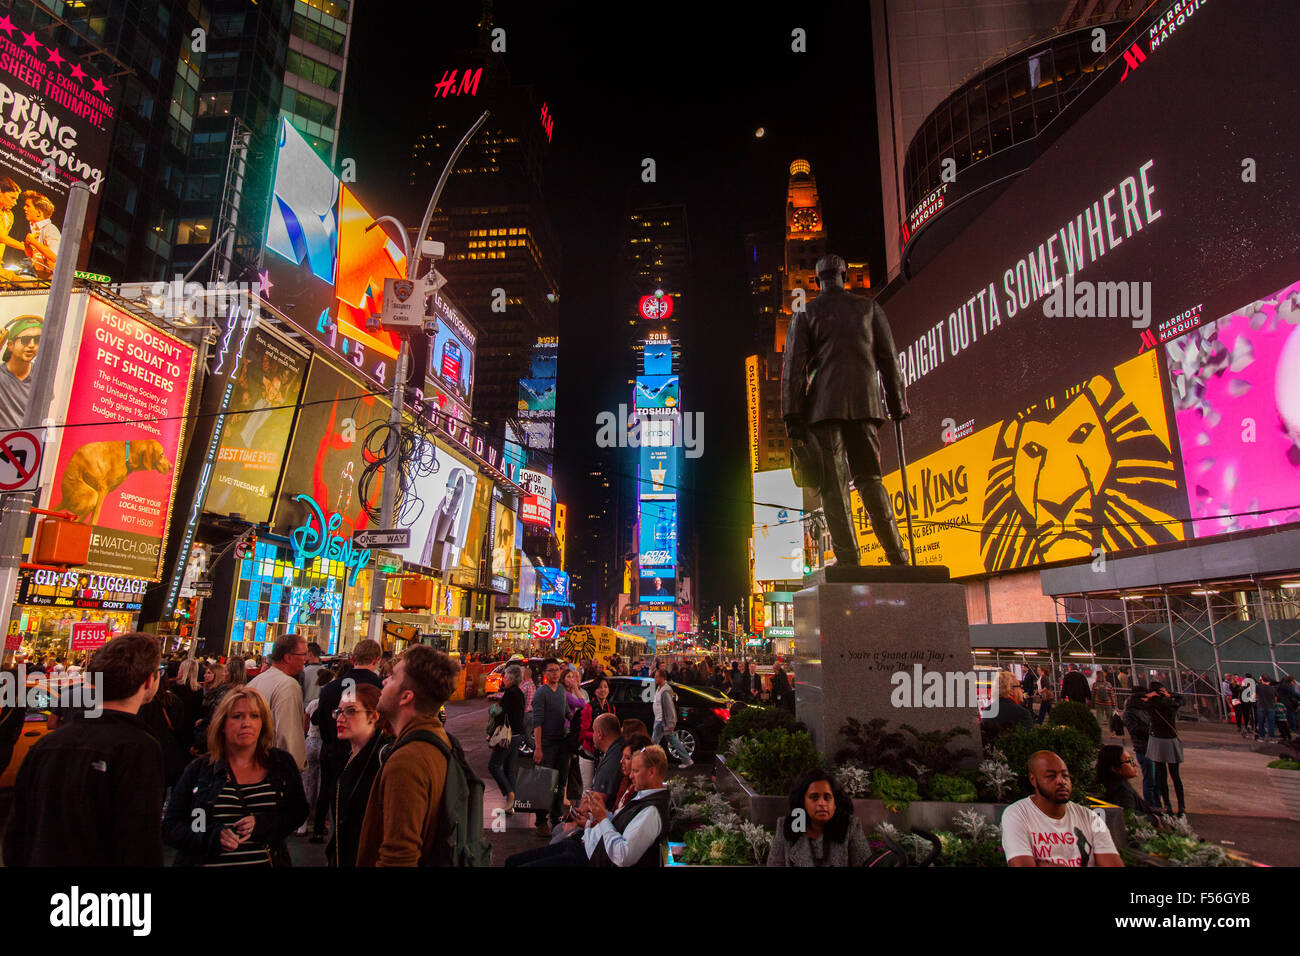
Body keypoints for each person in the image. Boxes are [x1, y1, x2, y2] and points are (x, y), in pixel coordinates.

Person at [781, 253, 910, 565]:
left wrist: (791, 414)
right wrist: (897, 404)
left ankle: (849, 558)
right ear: (844, 275)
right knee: (870, 478)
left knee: (834, 485)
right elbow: (889, 360)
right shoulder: (869, 308)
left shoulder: (807, 313)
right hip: (866, 404)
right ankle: (897, 554)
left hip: (825, 409)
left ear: (817, 280)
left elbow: (793, 368)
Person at [3, 633, 165, 866]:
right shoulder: (139, 748)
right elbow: (139, 843)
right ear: (149, 681)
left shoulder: (47, 744)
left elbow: (17, 833)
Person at [162, 688, 308, 866]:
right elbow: (171, 826)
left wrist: (261, 824)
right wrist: (211, 836)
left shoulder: (281, 764)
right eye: (237, 716)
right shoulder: (200, 770)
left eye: (254, 716)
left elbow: (297, 812)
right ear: (222, 724)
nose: (246, 723)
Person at [356, 645, 461, 866]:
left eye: (392, 677)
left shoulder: (407, 761)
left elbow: (399, 856)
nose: (383, 682)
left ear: (406, 697)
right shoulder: (438, 739)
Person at [313, 638, 383, 842]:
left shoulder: (330, 688)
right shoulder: (379, 688)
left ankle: (320, 829)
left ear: (352, 658)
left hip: (332, 750)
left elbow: (322, 721)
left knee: (327, 791)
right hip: (366, 758)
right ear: (376, 660)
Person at [1001, 751, 1123, 867]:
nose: (1061, 781)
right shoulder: (1017, 814)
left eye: (1065, 775)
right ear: (1033, 780)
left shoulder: (1091, 818)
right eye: (1051, 776)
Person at [583, 744, 671, 867]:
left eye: (635, 771)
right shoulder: (644, 797)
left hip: (595, 857)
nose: (630, 776)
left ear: (651, 772)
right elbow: (620, 824)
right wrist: (601, 810)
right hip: (593, 849)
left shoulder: (652, 811)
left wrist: (602, 818)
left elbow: (623, 856)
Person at [328, 683, 387, 868]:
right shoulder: (346, 756)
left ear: (374, 716)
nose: (340, 718)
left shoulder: (383, 758)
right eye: (339, 711)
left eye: (351, 711)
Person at [768, 768, 871, 867]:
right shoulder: (787, 827)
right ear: (802, 802)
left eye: (827, 798)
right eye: (814, 797)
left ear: (835, 803)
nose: (822, 803)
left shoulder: (850, 826)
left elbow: (866, 864)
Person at [247, 633, 308, 772]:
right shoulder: (288, 685)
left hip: (253, 763)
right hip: (274, 768)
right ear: (288, 657)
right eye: (303, 655)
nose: (305, 659)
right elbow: (287, 734)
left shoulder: (256, 681)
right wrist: (293, 769)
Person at [530, 657, 569, 836]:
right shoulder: (541, 693)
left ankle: (557, 819)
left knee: (560, 784)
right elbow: (536, 722)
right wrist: (538, 748)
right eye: (551, 670)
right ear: (544, 674)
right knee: (545, 783)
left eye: (557, 670)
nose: (555, 673)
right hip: (546, 744)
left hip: (561, 743)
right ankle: (540, 821)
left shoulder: (561, 690)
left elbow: (567, 713)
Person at [487, 663, 526, 813]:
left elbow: (502, 713)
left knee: (494, 766)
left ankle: (509, 794)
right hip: (517, 734)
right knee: (509, 769)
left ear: (510, 678)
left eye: (505, 677)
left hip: (507, 736)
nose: (503, 679)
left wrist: (493, 710)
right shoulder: (518, 693)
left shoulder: (511, 693)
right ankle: (511, 804)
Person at [299, 667, 334, 835]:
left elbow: (305, 726)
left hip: (310, 743)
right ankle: (321, 822)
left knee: (307, 784)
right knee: (322, 785)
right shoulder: (333, 706)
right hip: (324, 745)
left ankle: (303, 823)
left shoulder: (313, 704)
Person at [1143, 683, 1185, 816]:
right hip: (1171, 739)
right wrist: (1170, 694)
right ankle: (1181, 805)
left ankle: (1167, 804)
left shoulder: (1150, 705)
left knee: (1161, 776)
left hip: (1157, 740)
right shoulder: (1170, 704)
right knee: (1175, 776)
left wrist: (1149, 695)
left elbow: (1135, 699)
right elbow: (1182, 699)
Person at [0, 313, 41, 430]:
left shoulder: (42, 378)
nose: (32, 345)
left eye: (37, 340)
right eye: (25, 340)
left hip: (30, 444)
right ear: (10, 345)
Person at [1096, 745, 1159, 820]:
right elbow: (1129, 820)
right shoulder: (1123, 793)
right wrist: (1154, 819)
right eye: (1129, 761)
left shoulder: (1112, 782)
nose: (1135, 764)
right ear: (1115, 769)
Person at [578, 675, 616, 791]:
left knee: (601, 787)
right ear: (594, 691)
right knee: (588, 788)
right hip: (589, 752)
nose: (603, 690)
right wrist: (599, 737)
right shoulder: (588, 708)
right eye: (599, 687)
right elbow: (584, 732)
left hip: (604, 753)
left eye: (605, 687)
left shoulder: (610, 707)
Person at [1122, 684, 1157, 807]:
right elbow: (1134, 729)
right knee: (1150, 779)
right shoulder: (1131, 712)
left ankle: (1156, 804)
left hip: (1153, 747)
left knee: (1156, 779)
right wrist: (1151, 729)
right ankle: (1151, 805)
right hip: (1143, 748)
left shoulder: (1147, 709)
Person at [652, 666, 693, 768]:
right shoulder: (660, 688)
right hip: (660, 719)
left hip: (662, 720)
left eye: (656, 677)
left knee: (654, 742)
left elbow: (669, 708)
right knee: (672, 740)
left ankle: (653, 762)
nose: (655, 679)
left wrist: (670, 723)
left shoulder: (665, 691)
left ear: (662, 678)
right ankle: (687, 760)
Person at [562, 666, 589, 807]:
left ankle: (568, 793)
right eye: (569, 677)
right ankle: (563, 794)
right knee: (567, 765)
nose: (572, 680)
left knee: (572, 765)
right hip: (567, 730)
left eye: (573, 677)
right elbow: (582, 704)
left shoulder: (568, 693)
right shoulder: (566, 694)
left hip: (573, 730)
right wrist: (577, 689)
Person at [981, 670, 1034, 735]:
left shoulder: (987, 711)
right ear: (1010, 690)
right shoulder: (1022, 713)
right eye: (1019, 686)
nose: (1022, 690)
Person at [20, 190, 59, 277]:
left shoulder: (50, 229)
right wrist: (27, 244)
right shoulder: (35, 229)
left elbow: (54, 257)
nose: (24, 208)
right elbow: (31, 255)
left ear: (39, 212)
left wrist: (33, 242)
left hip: (50, 279)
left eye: (28, 206)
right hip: (38, 274)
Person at [1092, 670, 1117, 735]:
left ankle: (1099, 732)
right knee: (1109, 718)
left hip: (1098, 703)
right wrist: (1114, 704)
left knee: (1099, 718)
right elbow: (1112, 695)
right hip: (1108, 703)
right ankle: (1112, 732)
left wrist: (1093, 702)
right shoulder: (1108, 684)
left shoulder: (1095, 684)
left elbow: (1093, 694)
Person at [1255, 674, 1278, 741]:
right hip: (1271, 707)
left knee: (1261, 722)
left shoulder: (1258, 687)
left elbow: (1255, 696)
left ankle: (1262, 737)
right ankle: (1272, 738)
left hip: (1261, 706)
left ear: (1262, 679)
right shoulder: (1273, 688)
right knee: (1271, 723)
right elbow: (1276, 698)